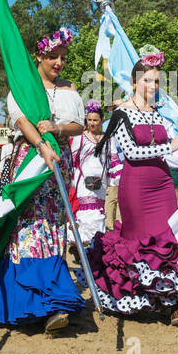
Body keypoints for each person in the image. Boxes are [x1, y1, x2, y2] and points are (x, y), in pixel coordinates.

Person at [88, 56, 178, 324]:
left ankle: (176, 304)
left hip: (163, 184)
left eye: (157, 81)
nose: (152, 85)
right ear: (134, 82)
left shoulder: (157, 115)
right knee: (142, 241)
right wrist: (170, 147)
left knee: (167, 241)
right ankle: (141, 299)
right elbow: (132, 153)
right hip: (136, 186)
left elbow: (169, 153)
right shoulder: (121, 114)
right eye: (147, 80)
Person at [0, 27, 88, 332]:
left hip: (59, 166)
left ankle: (54, 299)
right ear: (38, 56)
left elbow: (80, 125)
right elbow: (21, 121)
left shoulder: (70, 90)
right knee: (28, 228)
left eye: (63, 57)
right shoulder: (21, 89)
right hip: (31, 163)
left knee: (54, 227)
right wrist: (41, 145)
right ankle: (29, 299)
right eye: (53, 56)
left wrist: (57, 129)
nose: (59, 63)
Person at [70, 99, 109, 245]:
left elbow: (113, 160)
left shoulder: (107, 139)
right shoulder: (79, 137)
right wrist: (73, 180)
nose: (92, 123)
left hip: (101, 182)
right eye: (89, 119)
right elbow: (73, 160)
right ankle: (84, 245)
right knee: (87, 214)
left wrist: (115, 179)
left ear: (102, 121)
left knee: (99, 214)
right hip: (83, 181)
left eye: (95, 120)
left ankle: (97, 244)